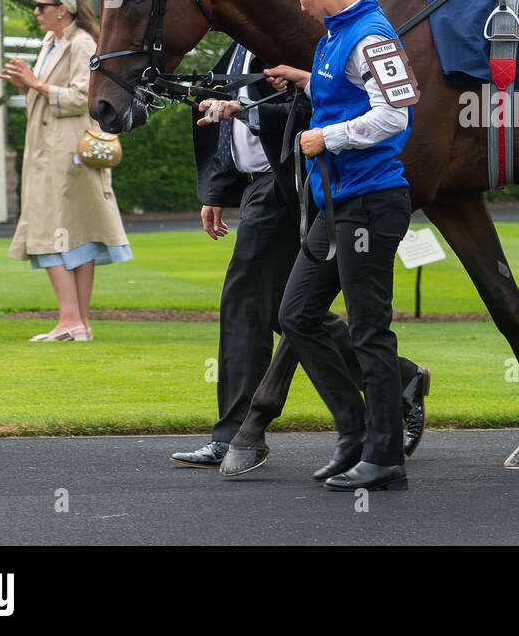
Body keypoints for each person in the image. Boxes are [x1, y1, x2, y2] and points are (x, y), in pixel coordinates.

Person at [170, 39, 430, 467]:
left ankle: (235, 434)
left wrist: (248, 111)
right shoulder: (236, 47)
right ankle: (401, 378)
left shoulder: (308, 34)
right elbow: (225, 120)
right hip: (257, 183)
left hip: (287, 184)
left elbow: (314, 113)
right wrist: (218, 189)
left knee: (245, 299)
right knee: (285, 311)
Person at [267, 0, 417, 492]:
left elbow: (394, 117)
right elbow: (354, 93)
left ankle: (385, 458)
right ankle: (354, 436)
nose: (296, 3)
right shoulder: (336, 37)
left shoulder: (371, 34)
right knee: (298, 313)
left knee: (369, 332)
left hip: (371, 204)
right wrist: (308, 81)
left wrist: (324, 137)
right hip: (341, 203)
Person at [3, 0, 130, 341]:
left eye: (41, 6)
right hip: (49, 147)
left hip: (66, 151)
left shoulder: (82, 42)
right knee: (73, 230)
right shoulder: (53, 41)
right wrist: (26, 82)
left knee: (52, 230)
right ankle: (77, 323)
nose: (36, 12)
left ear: (63, 10)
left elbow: (83, 97)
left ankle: (71, 319)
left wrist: (35, 83)